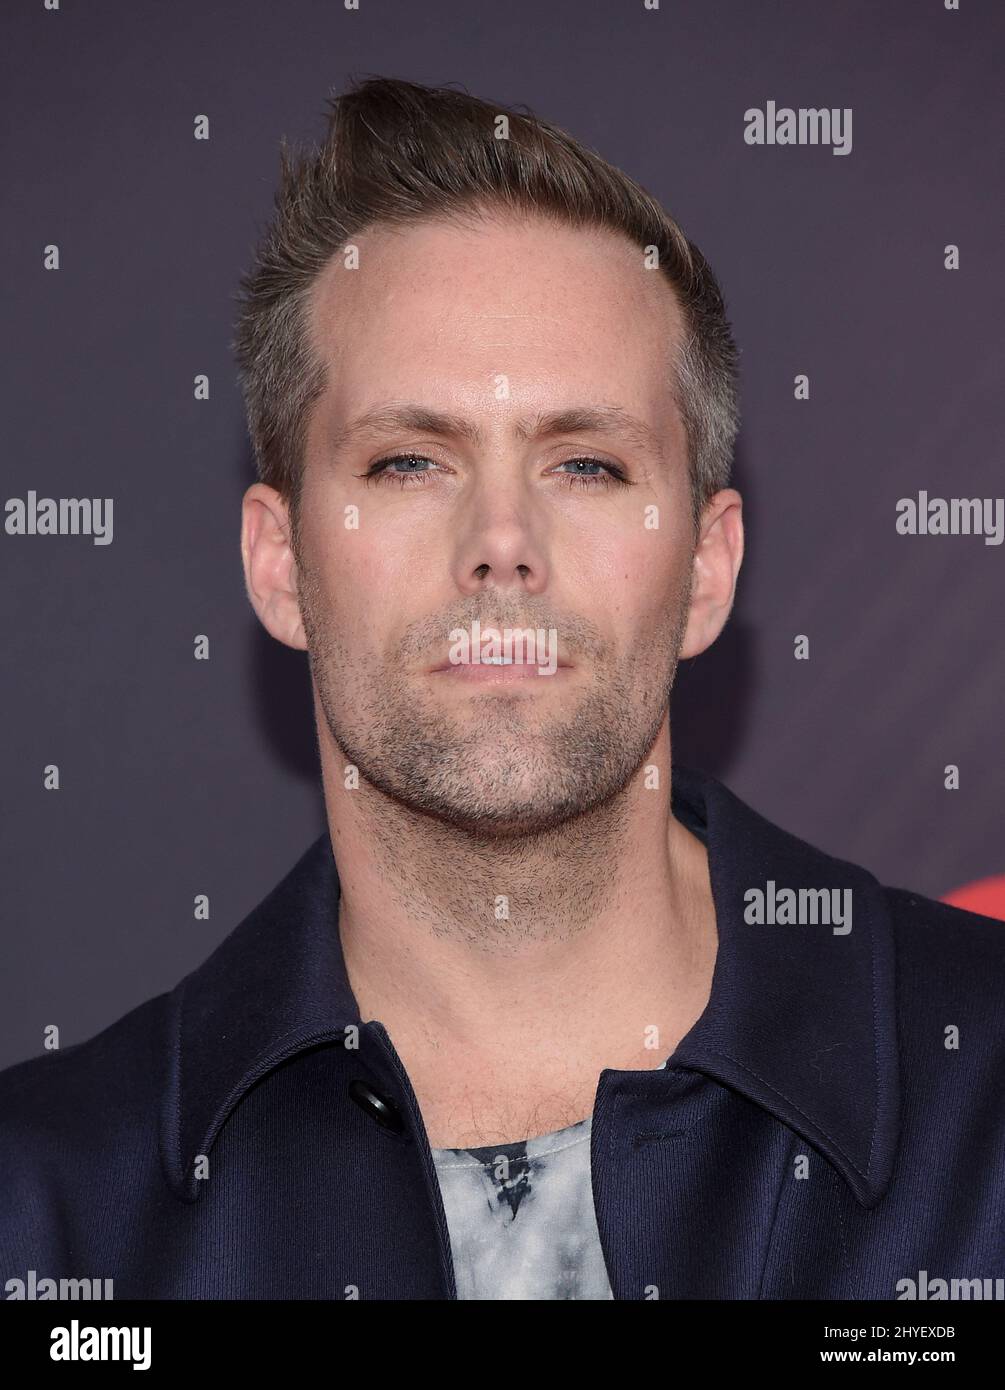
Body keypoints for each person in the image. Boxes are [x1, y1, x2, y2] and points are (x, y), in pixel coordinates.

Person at [2, 76, 1002, 1302]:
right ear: (278, 562)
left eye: (585, 462)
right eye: (411, 460)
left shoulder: (983, 1098)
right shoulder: (48, 1215)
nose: (502, 540)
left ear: (706, 566)